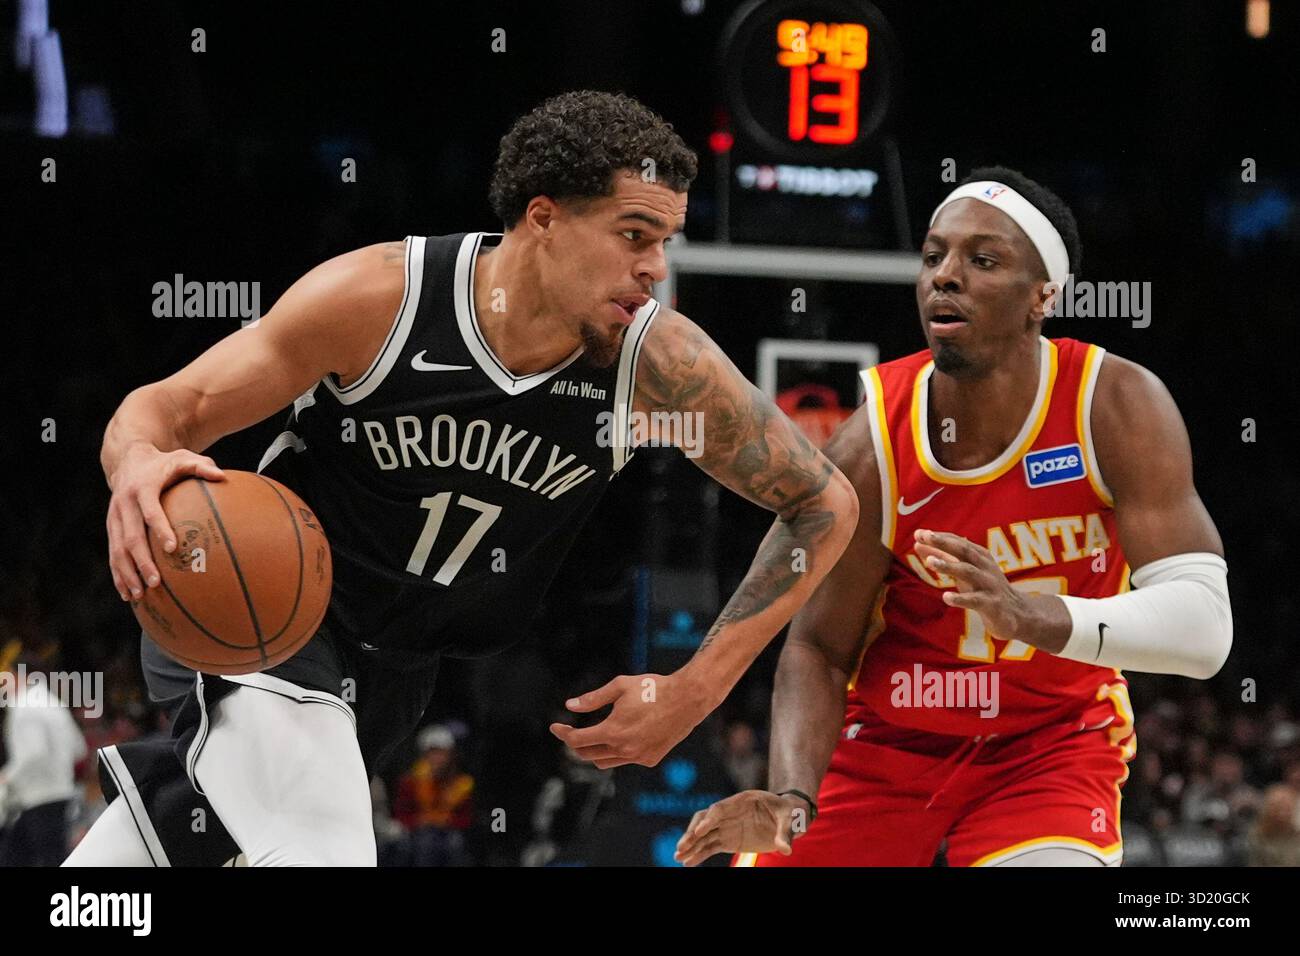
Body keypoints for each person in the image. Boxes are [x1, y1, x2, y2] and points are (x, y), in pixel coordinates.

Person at [63, 90, 857, 867]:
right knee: (323, 850)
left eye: (665, 242)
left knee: (176, 844)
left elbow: (822, 504)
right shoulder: (381, 300)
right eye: (634, 234)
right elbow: (171, 406)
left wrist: (698, 688)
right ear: (543, 218)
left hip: (397, 674)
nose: (654, 267)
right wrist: (136, 460)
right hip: (265, 617)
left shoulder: (657, 367)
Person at [676, 167, 1232, 867]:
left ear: (1042, 297)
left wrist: (1031, 616)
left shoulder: (1115, 405)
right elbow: (817, 650)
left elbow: (1206, 628)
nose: (945, 275)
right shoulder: (871, 445)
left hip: (1048, 747)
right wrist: (791, 799)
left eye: (983, 259)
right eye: (934, 255)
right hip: (884, 749)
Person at [0, 648, 89, 866]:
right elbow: (79, 749)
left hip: (38, 797)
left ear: (22, 676)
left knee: (39, 858)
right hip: (61, 793)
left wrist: (6, 776)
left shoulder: (24, 706)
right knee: (43, 855)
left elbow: (34, 753)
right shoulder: (53, 704)